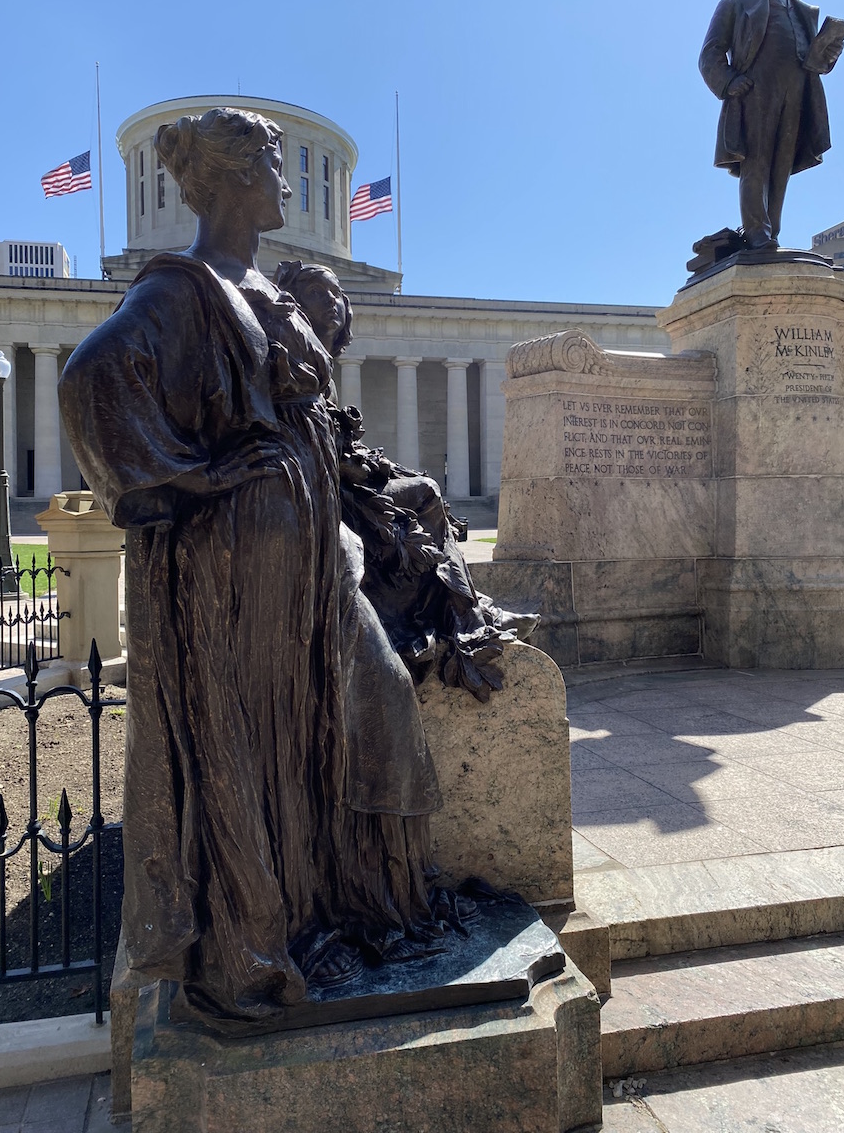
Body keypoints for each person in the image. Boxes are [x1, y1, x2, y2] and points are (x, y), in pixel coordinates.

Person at [58, 109, 456, 1031]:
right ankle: (251, 948)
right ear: (236, 178)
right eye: (276, 168)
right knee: (250, 751)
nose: (289, 185)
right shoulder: (181, 286)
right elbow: (91, 378)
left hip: (306, 561)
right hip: (236, 570)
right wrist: (187, 476)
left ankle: (353, 909)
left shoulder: (259, 286)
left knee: (364, 713)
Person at [274, 260, 539, 703]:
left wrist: (373, 467)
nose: (333, 303)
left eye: (337, 293)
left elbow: (334, 446)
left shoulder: (320, 368)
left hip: (335, 487)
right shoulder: (294, 363)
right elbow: (311, 448)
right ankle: (469, 618)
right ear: (295, 301)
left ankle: (469, 613)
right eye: (319, 292)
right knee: (427, 494)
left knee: (421, 489)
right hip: (316, 495)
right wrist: (365, 470)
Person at [699, 0, 844, 250]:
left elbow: (812, 59)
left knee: (782, 166)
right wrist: (729, 81)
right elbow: (710, 53)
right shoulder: (734, 4)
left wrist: (827, 52)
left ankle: (771, 233)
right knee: (756, 162)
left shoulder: (800, 8)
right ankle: (756, 232)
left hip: (796, 92)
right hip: (755, 92)